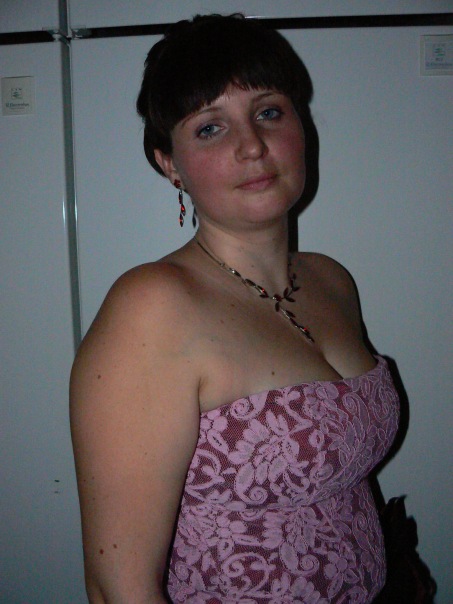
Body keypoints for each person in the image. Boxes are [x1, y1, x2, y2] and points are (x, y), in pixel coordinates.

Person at [70, 14, 400, 603]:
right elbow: (117, 587)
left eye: (269, 112)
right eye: (210, 128)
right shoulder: (153, 308)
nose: (252, 145)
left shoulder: (331, 281)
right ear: (169, 163)